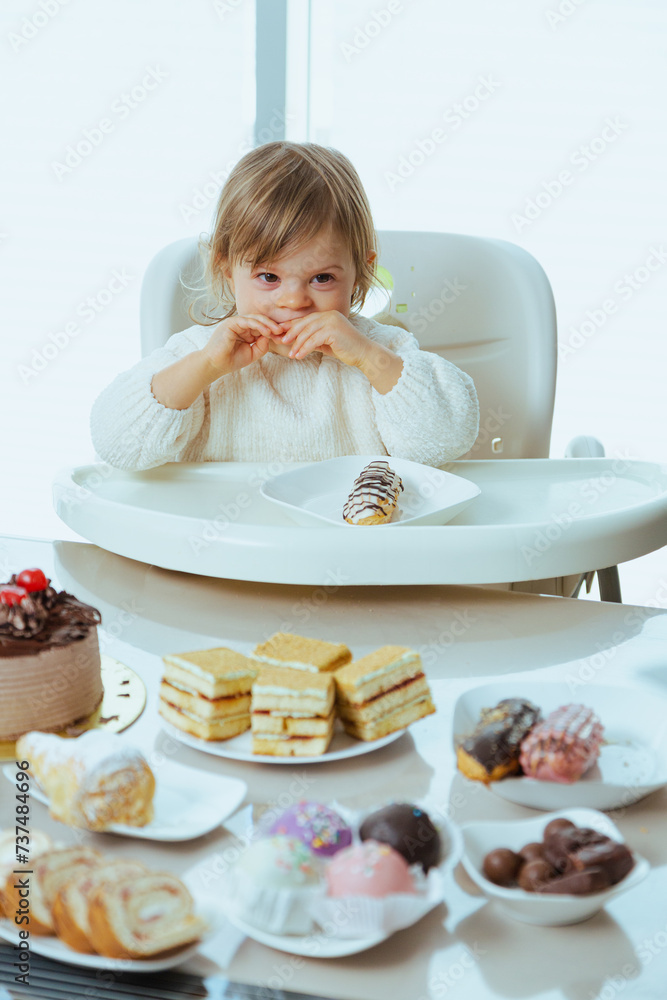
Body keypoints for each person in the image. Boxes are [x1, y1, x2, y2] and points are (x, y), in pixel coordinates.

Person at [90, 141, 479, 470]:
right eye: (269, 278)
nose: (294, 300)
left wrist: (367, 358)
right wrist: (205, 368)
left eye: (322, 278)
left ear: (360, 272)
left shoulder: (382, 352)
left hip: (350, 552)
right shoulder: (200, 353)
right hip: (221, 551)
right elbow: (117, 444)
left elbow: (444, 441)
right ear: (226, 270)